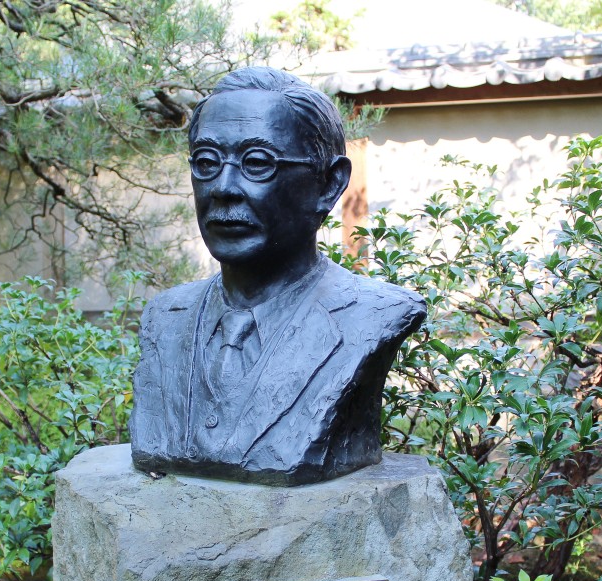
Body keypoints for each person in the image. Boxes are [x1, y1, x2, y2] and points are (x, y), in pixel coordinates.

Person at [129, 66, 425, 486]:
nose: (224, 188)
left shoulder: (372, 315)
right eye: (207, 162)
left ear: (329, 184)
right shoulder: (165, 318)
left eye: (257, 163)